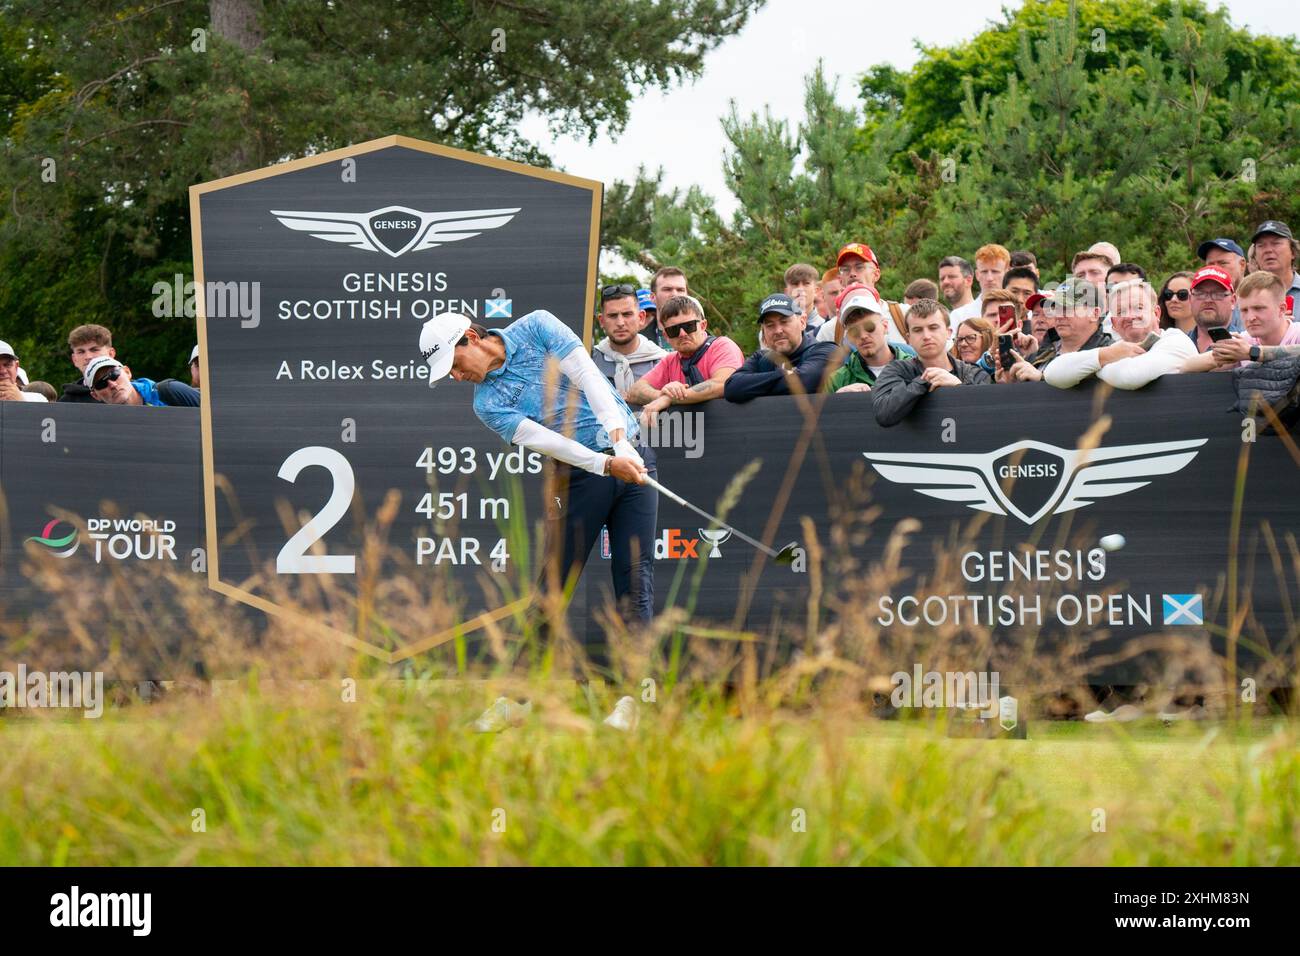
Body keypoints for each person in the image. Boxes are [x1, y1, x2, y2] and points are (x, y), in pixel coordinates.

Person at [419, 309, 653, 731]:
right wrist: (605, 462)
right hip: (582, 474)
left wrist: (621, 441)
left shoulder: (537, 326)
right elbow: (552, 442)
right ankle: (518, 702)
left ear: (471, 337)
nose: (455, 377)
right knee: (553, 588)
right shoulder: (487, 404)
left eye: (454, 364)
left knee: (634, 577)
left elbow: (590, 378)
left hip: (631, 452)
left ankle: (630, 700)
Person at [1042, 279, 1195, 390]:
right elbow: (1052, 373)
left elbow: (1131, 376)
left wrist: (1095, 367)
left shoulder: (1176, 340)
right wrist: (1104, 356)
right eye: (1121, 311)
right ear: (1114, 323)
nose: (1129, 316)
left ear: (1156, 313)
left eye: (1138, 307)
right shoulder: (1113, 350)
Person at [627, 294, 743, 427]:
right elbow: (635, 391)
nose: (682, 334)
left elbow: (723, 384)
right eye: (674, 330)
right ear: (666, 336)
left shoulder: (722, 346)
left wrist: (670, 398)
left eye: (689, 326)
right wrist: (662, 395)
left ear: (703, 325)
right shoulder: (670, 361)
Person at [872, 300, 991, 426]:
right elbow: (883, 414)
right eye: (918, 330)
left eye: (933, 328)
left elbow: (987, 419)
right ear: (908, 338)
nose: (926, 336)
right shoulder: (896, 370)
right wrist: (924, 381)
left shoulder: (975, 373)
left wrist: (958, 388)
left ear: (948, 333)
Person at [725, 293, 838, 403]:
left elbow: (804, 382)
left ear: (802, 322)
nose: (778, 330)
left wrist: (753, 386)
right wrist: (786, 375)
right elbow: (732, 387)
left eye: (784, 322)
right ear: (763, 332)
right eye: (770, 325)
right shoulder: (761, 359)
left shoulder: (826, 351)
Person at [1183, 271, 1300, 372]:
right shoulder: (1244, 341)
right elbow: (1187, 366)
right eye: (1244, 310)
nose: (1250, 317)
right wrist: (1223, 357)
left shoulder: (1297, 333)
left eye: (1258, 308)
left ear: (1282, 309)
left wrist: (1251, 353)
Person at [1004, 278, 1113, 381]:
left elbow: (1094, 395)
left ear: (1095, 314)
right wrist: (1011, 383)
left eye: (1068, 308)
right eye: (1056, 308)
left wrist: (1042, 380)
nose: (1059, 315)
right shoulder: (1039, 354)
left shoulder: (1113, 355)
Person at [823, 286, 916, 393]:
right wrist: (840, 401)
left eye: (869, 327)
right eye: (855, 332)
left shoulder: (916, 368)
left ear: (885, 326)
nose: (863, 336)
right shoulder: (837, 381)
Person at [591, 283, 667, 399]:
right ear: (601, 321)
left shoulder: (663, 362)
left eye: (627, 314)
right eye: (612, 316)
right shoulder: (589, 360)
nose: (620, 323)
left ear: (641, 317)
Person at [1197, 238, 1248, 331]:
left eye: (1223, 263)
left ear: (1242, 264)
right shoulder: (1199, 301)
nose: (1216, 269)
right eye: (1211, 264)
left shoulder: (1260, 296)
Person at [1184, 266, 1235, 354]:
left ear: (1233, 301)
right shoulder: (1178, 345)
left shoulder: (1248, 344)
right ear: (1190, 299)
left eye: (1218, 294)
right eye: (1200, 294)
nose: (1208, 300)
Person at [83, 356, 174, 406]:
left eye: (114, 374)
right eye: (101, 384)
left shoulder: (170, 391)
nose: (112, 385)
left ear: (127, 372)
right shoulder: (101, 428)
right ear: (95, 396)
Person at [60, 324, 115, 403]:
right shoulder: (65, 403)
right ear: (74, 359)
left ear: (111, 354)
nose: (88, 356)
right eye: (81, 352)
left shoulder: (133, 392)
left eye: (94, 350)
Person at [1249, 220, 1300, 304]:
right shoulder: (1244, 296)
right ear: (1255, 256)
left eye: (1276, 243)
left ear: (1293, 252)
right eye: (1261, 245)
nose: (1268, 250)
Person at [938, 256, 979, 326]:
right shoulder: (942, 320)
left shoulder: (981, 315)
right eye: (942, 279)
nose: (945, 282)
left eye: (951, 277)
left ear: (968, 280)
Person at [784, 263, 822, 333]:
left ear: (816, 291)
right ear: (786, 292)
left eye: (806, 283)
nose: (800, 288)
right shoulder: (777, 330)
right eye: (795, 284)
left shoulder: (826, 328)